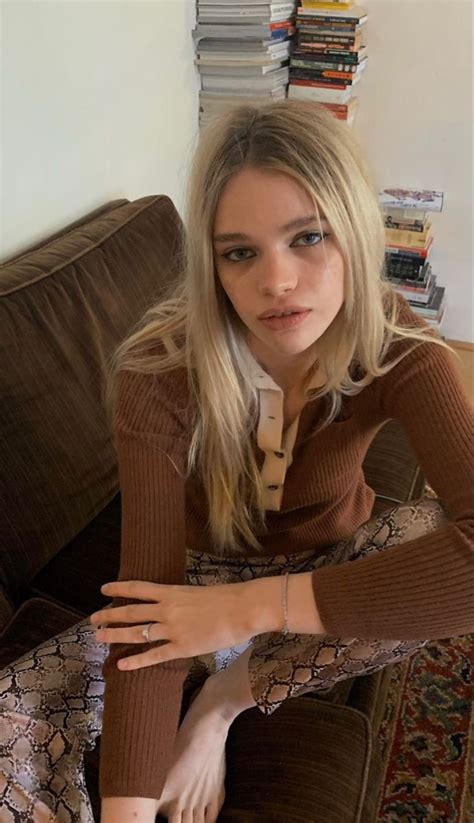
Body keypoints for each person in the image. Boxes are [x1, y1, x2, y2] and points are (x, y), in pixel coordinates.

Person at [0, 100, 472, 823]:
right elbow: (148, 605)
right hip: (190, 586)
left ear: (353, 229)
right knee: (9, 716)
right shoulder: (159, 370)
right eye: (240, 251)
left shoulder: (400, 348)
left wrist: (247, 621)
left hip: (326, 575)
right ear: (211, 263)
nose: (276, 281)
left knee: (423, 536)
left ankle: (225, 700)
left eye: (307, 236)